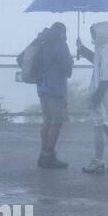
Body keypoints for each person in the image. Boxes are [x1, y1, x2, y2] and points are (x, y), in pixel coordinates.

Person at [76, 22, 108, 174]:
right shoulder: (107, 49)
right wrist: (82, 49)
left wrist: (96, 97)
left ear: (100, 35)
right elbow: (96, 60)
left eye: (94, 33)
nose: (93, 36)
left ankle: (98, 161)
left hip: (103, 95)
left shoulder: (103, 51)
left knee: (99, 126)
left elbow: (106, 76)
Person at [36, 22, 74, 168]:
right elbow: (68, 70)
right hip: (56, 89)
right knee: (56, 123)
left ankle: (43, 153)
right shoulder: (60, 45)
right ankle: (49, 155)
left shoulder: (45, 43)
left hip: (43, 88)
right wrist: (70, 60)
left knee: (47, 121)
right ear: (62, 32)